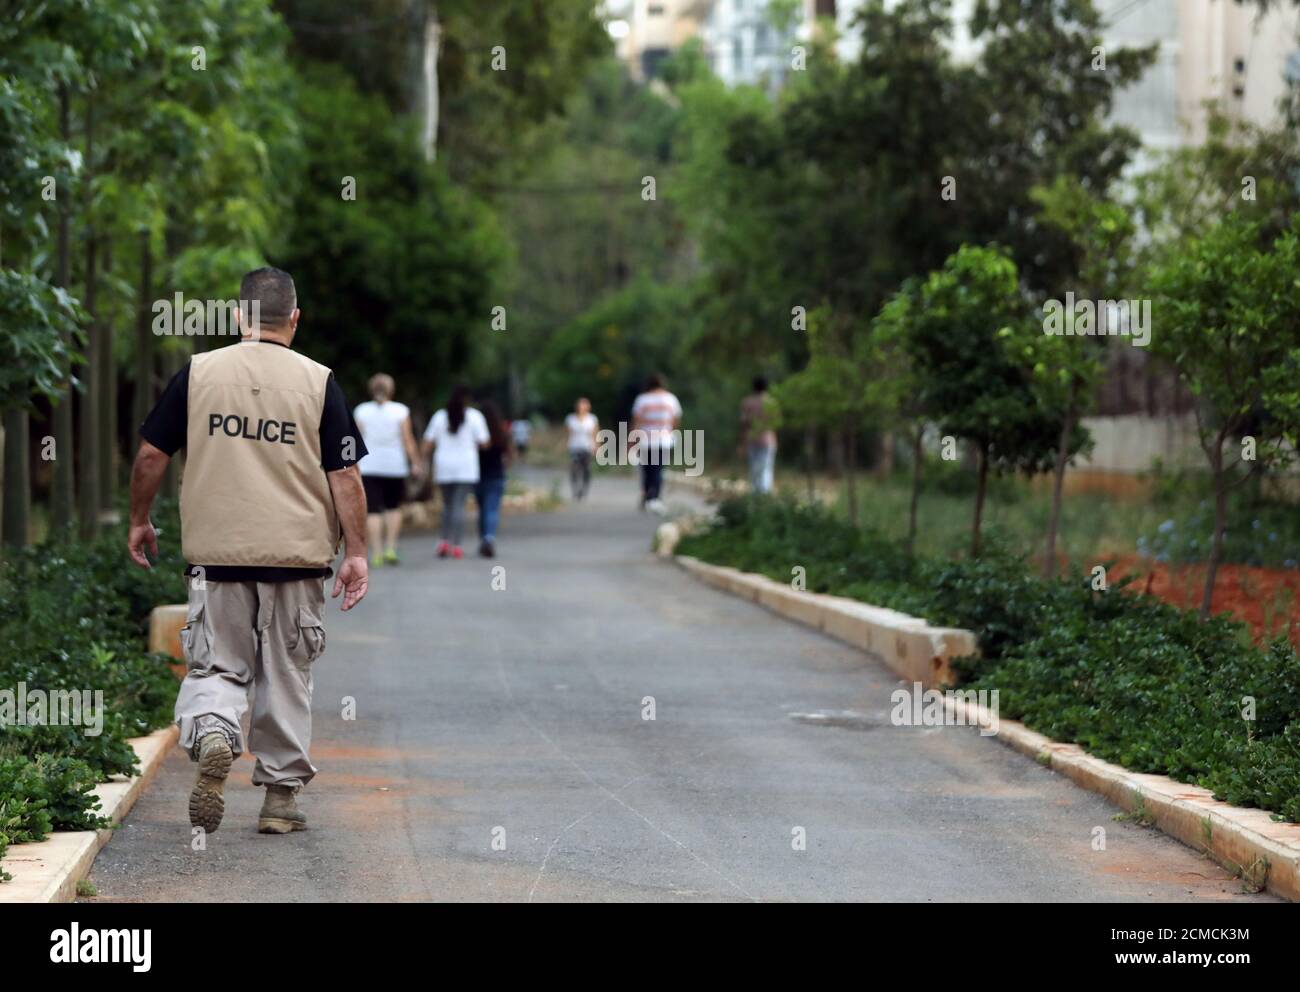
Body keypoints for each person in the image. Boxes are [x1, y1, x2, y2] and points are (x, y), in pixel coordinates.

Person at [127, 266, 369, 837]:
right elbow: (346, 475)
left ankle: (214, 729)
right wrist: (356, 550)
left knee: (216, 664)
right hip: (298, 558)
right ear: (295, 318)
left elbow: (149, 457)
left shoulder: (199, 374)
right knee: (287, 672)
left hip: (217, 559)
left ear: (238, 317)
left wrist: (140, 517)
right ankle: (280, 801)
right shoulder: (318, 382)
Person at [354, 373, 421, 566]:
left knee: (373, 510)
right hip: (394, 466)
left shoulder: (362, 410)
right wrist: (415, 462)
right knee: (393, 507)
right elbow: (407, 439)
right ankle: (391, 547)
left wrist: (351, 462)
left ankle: (376, 552)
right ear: (391, 389)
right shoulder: (400, 411)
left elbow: (355, 438)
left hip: (368, 466)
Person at [421, 384, 489, 559]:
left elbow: (428, 443)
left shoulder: (439, 416)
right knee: (459, 506)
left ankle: (444, 540)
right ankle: (457, 545)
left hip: (444, 466)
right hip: (466, 467)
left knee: (447, 505)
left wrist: (421, 463)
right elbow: (484, 442)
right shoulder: (474, 417)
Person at [630, 373, 682, 514]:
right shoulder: (671, 399)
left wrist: (632, 439)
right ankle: (655, 497)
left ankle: (648, 496)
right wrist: (670, 431)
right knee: (658, 468)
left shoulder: (642, 399)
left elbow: (637, 420)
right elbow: (676, 419)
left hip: (646, 439)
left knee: (647, 469)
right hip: (664, 439)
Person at [475, 400, 513, 558]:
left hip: (477, 476)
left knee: (482, 509)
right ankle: (489, 538)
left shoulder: (477, 433)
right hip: (497, 475)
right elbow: (510, 455)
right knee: (492, 509)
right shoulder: (501, 433)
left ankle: (483, 538)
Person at [738, 375, 780, 494]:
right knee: (766, 468)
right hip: (768, 439)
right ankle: (764, 494)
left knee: (754, 469)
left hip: (752, 439)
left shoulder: (747, 403)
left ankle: (756, 495)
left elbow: (744, 424)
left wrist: (742, 442)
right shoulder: (772, 403)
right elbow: (775, 423)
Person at [565, 396, 598, 500]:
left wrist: (596, 446)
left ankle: (583, 491)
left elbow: (595, 433)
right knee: (574, 469)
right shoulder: (570, 418)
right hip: (574, 446)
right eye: (580, 405)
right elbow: (567, 433)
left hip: (587, 447)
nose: (581, 407)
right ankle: (575, 489)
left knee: (586, 469)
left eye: (584, 405)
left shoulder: (592, 419)